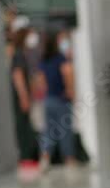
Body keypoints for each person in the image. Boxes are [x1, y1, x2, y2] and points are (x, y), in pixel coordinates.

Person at [36, 30, 77, 171]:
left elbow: (40, 82)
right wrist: (70, 90)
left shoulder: (43, 60)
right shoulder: (61, 59)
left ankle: (45, 158)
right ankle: (69, 159)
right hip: (61, 99)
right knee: (65, 129)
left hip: (49, 99)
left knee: (49, 130)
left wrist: (47, 92)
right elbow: (68, 73)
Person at [8, 27, 41, 177]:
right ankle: (26, 157)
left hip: (23, 97)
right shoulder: (19, 55)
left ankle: (28, 156)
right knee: (22, 126)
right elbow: (18, 76)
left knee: (26, 124)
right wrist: (24, 97)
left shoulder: (22, 54)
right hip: (21, 97)